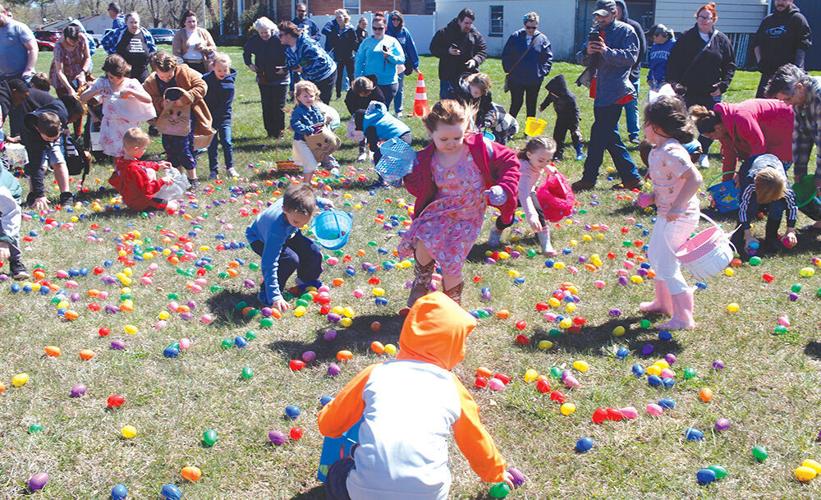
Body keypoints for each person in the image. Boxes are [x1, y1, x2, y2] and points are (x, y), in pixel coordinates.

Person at [318, 291, 515, 500]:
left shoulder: (376, 373)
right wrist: (496, 472)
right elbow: (475, 438)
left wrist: (327, 412)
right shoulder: (452, 387)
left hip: (364, 493)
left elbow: (329, 426)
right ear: (455, 347)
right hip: (428, 494)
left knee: (339, 469)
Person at [400, 100, 520, 305]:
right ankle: (421, 282)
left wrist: (504, 188)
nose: (451, 143)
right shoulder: (425, 158)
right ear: (431, 134)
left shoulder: (481, 148)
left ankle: (451, 302)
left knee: (452, 262)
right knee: (424, 239)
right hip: (438, 210)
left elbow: (510, 161)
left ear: (466, 129)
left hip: (468, 215)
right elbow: (417, 187)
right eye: (444, 138)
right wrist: (401, 176)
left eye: (457, 137)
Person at [639, 96, 703, 331]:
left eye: (646, 122)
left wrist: (677, 206)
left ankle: (684, 317)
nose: (643, 127)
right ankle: (663, 302)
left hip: (681, 215)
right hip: (668, 214)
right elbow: (670, 182)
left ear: (656, 126)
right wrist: (653, 197)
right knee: (656, 255)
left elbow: (694, 178)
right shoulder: (658, 150)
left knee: (667, 263)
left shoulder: (673, 151)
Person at [571, 0, 641, 192]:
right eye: (597, 15)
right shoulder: (595, 31)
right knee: (609, 136)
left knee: (598, 135)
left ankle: (589, 178)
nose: (600, 19)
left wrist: (606, 51)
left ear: (614, 13)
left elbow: (630, 58)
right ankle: (631, 177)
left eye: (603, 15)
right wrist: (587, 52)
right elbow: (579, 58)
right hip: (600, 91)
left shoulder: (626, 31)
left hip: (616, 91)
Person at [666, 2, 736, 169]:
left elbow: (730, 65)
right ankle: (683, 153)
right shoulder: (686, 38)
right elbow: (673, 63)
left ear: (714, 20)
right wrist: (674, 83)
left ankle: (703, 152)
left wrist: (723, 85)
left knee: (711, 124)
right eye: (701, 17)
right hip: (688, 90)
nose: (704, 21)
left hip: (711, 91)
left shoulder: (721, 39)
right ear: (696, 18)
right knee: (682, 124)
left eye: (708, 18)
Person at [245, 183, 329, 310]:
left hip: (288, 232)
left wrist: (322, 202)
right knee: (288, 260)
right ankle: (266, 295)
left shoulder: (294, 209)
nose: (300, 225)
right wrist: (275, 296)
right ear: (284, 210)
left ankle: (306, 281)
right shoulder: (276, 229)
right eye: (297, 221)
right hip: (260, 239)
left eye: (305, 221)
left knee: (313, 251)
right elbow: (269, 262)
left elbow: (308, 198)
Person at [766, 63, 821, 233]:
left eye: (787, 99)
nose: (787, 104)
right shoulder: (799, 102)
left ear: (799, 87)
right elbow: (801, 137)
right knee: (805, 186)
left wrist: (819, 176)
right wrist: (800, 172)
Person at [143, 52, 212, 186]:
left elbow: (202, 86)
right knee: (170, 148)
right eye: (162, 76)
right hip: (166, 119)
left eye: (169, 75)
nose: (166, 79)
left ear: (175, 68)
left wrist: (184, 99)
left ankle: (193, 179)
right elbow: (147, 97)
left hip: (186, 117)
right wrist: (161, 103)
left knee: (184, 147)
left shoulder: (185, 72)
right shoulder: (151, 82)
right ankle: (179, 178)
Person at [690, 99, 793, 183]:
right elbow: (730, 156)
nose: (712, 139)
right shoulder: (723, 129)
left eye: (710, 136)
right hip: (769, 132)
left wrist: (742, 175)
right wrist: (726, 185)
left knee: (772, 175)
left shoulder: (741, 118)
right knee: (751, 177)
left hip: (786, 125)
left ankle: (782, 201)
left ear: (717, 128)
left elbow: (759, 146)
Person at [488, 137, 559, 256]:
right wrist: (531, 216)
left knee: (539, 212)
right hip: (513, 194)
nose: (545, 163)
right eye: (542, 160)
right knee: (507, 219)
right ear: (529, 155)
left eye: (548, 160)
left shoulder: (536, 161)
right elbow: (524, 195)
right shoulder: (524, 170)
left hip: (528, 191)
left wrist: (547, 168)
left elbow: (541, 164)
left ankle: (545, 244)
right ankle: (496, 230)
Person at [80, 54, 155, 158]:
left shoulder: (131, 83)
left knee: (130, 155)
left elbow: (148, 99)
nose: (115, 80)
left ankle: (130, 173)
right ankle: (119, 172)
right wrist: (97, 91)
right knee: (116, 155)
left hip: (128, 127)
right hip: (110, 126)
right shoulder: (102, 82)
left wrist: (131, 92)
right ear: (106, 73)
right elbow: (83, 97)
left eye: (119, 77)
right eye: (111, 77)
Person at [734, 154, 798, 256]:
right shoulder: (751, 184)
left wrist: (790, 230)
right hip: (751, 165)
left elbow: (793, 206)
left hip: (774, 165)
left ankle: (771, 237)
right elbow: (743, 208)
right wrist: (748, 235)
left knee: (777, 208)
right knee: (750, 206)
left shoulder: (784, 188)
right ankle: (739, 234)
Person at [109, 127, 180, 212]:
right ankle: (155, 202)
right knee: (173, 207)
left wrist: (157, 165)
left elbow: (142, 164)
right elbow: (147, 189)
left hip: (129, 199)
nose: (145, 151)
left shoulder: (122, 162)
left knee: (150, 170)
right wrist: (162, 181)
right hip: (142, 203)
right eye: (144, 149)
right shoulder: (135, 169)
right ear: (136, 149)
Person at [752, 0, 811, 99]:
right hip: (768, 73)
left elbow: (803, 45)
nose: (780, 2)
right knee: (763, 106)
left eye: (784, 0)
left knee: (786, 107)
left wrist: (797, 68)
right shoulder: (768, 20)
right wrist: (760, 62)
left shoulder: (798, 19)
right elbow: (756, 43)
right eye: (778, 0)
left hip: (789, 75)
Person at [22, 98, 72, 210]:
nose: (51, 141)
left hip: (54, 125)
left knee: (58, 160)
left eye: (54, 138)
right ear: (38, 130)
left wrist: (59, 136)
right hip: (35, 141)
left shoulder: (62, 114)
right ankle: (34, 194)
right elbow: (36, 166)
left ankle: (66, 195)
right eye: (48, 139)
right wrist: (40, 194)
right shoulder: (32, 132)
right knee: (41, 165)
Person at [501, 12, 553, 120]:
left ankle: (529, 132)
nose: (531, 30)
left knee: (531, 104)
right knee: (516, 103)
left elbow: (548, 57)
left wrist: (543, 72)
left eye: (534, 27)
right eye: (528, 27)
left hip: (534, 78)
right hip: (517, 78)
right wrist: (509, 70)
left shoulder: (542, 38)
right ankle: (509, 128)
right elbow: (506, 55)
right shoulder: (515, 36)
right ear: (524, 25)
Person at [244, 18, 289, 139]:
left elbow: (290, 54)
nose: (264, 35)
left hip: (280, 77)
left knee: (279, 106)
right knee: (267, 106)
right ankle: (269, 132)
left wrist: (285, 68)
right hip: (263, 77)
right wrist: (249, 64)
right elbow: (246, 52)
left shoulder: (279, 39)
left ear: (272, 30)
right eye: (261, 32)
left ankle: (279, 132)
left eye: (266, 32)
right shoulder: (255, 40)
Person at [430, 9, 487, 100]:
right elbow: (433, 48)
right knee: (447, 107)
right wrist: (448, 51)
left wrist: (475, 60)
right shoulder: (444, 32)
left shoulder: (475, 34)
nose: (468, 26)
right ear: (459, 21)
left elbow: (483, 50)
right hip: (448, 76)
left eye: (470, 23)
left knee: (468, 106)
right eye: (466, 23)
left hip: (469, 77)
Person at [0, 3, 39, 136]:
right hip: (2, 78)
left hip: (20, 77)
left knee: (21, 110)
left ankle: (25, 138)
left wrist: (29, 68)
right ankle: (12, 139)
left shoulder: (18, 27)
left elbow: (32, 48)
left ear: (4, 12)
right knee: (5, 110)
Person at [290, 80, 338, 184]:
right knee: (311, 163)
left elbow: (320, 120)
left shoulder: (315, 109)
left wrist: (324, 120)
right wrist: (308, 129)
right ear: (298, 97)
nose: (309, 99)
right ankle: (306, 184)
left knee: (314, 162)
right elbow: (295, 124)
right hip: (302, 141)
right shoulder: (298, 111)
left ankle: (308, 182)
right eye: (305, 96)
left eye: (311, 96)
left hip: (314, 141)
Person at [279, 21, 337, 104]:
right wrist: (285, 69)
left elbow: (321, 61)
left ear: (288, 35)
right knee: (307, 104)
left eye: (281, 35)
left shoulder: (307, 45)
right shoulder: (288, 48)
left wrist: (303, 69)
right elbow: (295, 63)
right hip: (311, 76)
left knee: (321, 105)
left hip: (326, 74)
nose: (279, 37)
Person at [354, 14, 405, 108]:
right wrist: (357, 78)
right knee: (369, 110)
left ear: (385, 27)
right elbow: (359, 61)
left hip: (388, 82)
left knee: (383, 110)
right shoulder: (366, 42)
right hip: (370, 83)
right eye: (374, 28)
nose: (377, 31)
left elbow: (401, 59)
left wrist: (390, 56)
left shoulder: (392, 41)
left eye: (380, 28)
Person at [454, 73, 517, 145]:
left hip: (490, 119)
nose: (478, 96)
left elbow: (489, 108)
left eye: (481, 94)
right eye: (476, 92)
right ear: (470, 84)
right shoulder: (460, 93)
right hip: (463, 119)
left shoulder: (486, 95)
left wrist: (488, 119)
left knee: (501, 129)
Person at [614, 0, 646, 144]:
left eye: (618, 9)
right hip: (614, 75)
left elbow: (642, 50)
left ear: (623, 10)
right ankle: (611, 131)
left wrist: (631, 68)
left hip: (631, 75)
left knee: (631, 105)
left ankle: (634, 134)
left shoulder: (634, 26)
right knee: (613, 105)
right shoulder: (609, 27)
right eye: (613, 9)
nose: (616, 12)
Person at [203, 52, 236, 179]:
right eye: (219, 70)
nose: (222, 72)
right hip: (208, 117)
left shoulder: (229, 84)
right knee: (212, 144)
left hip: (223, 117)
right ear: (213, 67)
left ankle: (230, 167)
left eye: (225, 70)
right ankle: (213, 170)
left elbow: (225, 106)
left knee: (226, 142)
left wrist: (213, 117)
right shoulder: (205, 80)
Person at [101, 12, 157, 83]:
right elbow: (104, 41)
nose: (134, 25)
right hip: (122, 74)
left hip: (142, 73)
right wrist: (112, 54)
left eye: (136, 22)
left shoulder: (146, 34)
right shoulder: (119, 33)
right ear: (126, 23)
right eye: (131, 22)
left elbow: (153, 51)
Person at [360, 100, 412, 176]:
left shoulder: (370, 126)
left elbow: (373, 148)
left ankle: (384, 182)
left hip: (400, 138)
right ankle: (403, 176)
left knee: (378, 155)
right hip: (406, 134)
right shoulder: (382, 115)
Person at [539, 74, 584, 161]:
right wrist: (542, 107)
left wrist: (575, 124)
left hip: (571, 118)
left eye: (552, 92)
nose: (551, 94)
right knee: (558, 136)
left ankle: (579, 152)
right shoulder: (553, 94)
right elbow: (548, 100)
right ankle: (558, 154)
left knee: (575, 135)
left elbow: (575, 112)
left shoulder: (569, 98)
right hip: (561, 117)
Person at [345, 76, 385, 162]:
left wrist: (373, 115)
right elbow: (348, 103)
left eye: (367, 92)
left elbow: (381, 104)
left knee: (373, 132)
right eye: (362, 93)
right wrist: (355, 113)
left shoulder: (376, 92)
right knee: (360, 132)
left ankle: (374, 151)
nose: (365, 95)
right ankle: (362, 151)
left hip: (373, 115)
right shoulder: (352, 93)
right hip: (359, 114)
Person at [387, 11, 419, 115]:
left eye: (398, 19)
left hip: (400, 64)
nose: (395, 21)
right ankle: (384, 109)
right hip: (387, 64)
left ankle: (398, 110)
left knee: (399, 88)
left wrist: (415, 64)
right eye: (393, 19)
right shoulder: (386, 32)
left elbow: (411, 48)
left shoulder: (404, 32)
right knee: (385, 87)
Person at [0, 154, 27, 280]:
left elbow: (11, 213)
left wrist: (4, 240)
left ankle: (16, 262)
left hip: (10, 198)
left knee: (5, 226)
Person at [322, 9, 356, 101]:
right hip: (338, 55)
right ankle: (338, 95)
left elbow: (355, 42)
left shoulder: (350, 28)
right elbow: (329, 36)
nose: (338, 19)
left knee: (351, 75)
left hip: (349, 56)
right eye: (337, 17)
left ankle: (354, 93)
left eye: (340, 17)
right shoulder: (334, 29)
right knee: (339, 76)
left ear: (344, 17)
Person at [50, 25, 91, 98]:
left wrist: (82, 73)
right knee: (69, 102)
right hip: (62, 79)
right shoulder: (59, 47)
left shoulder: (82, 38)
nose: (74, 44)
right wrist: (69, 89)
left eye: (76, 41)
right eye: (71, 41)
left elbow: (87, 57)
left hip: (78, 75)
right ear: (65, 37)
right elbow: (59, 71)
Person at [172, 10, 217, 74]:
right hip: (187, 65)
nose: (192, 24)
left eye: (194, 21)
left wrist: (204, 48)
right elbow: (176, 53)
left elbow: (213, 47)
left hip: (202, 64)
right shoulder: (179, 34)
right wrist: (182, 66)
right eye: (189, 22)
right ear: (184, 23)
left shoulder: (204, 32)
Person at [647, 24, 675, 91]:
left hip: (667, 84)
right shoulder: (654, 47)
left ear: (660, 34)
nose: (651, 40)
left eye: (652, 37)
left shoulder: (674, 45)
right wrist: (649, 79)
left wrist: (669, 81)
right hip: (654, 83)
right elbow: (652, 65)